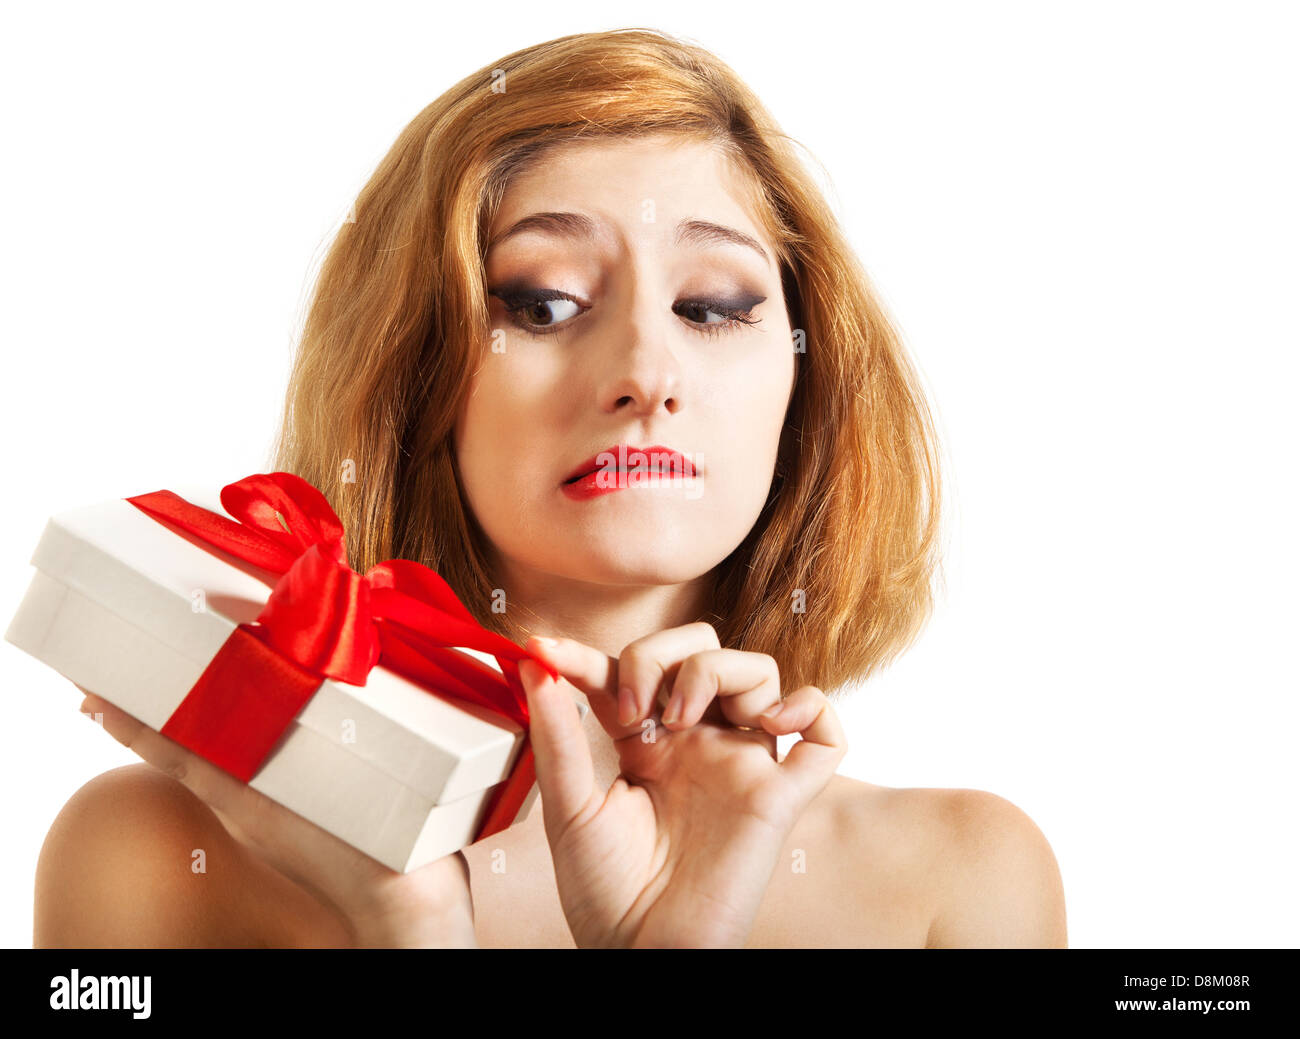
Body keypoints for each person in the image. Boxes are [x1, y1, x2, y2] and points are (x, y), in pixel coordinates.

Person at [34, 28, 1067, 948]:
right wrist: (410, 934)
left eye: (710, 307)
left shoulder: (963, 880)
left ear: (808, 377)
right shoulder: (154, 852)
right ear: (415, 375)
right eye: (542, 303)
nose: (646, 373)